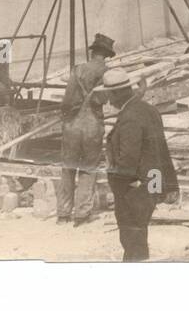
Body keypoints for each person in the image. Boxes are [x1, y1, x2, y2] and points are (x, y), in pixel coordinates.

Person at [104, 69, 178, 261]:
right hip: (154, 180)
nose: (108, 100)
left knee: (132, 235)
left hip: (136, 187)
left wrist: (118, 186)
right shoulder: (149, 109)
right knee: (139, 230)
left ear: (117, 93)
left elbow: (128, 159)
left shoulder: (130, 117)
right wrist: (170, 185)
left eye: (109, 95)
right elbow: (161, 149)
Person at [57, 33, 115, 225]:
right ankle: (81, 215)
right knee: (88, 169)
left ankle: (63, 214)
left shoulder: (78, 69)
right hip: (92, 126)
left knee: (67, 168)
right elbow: (101, 99)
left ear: (93, 51)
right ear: (106, 54)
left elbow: (66, 101)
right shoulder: (106, 72)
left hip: (72, 125)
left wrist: (67, 118)